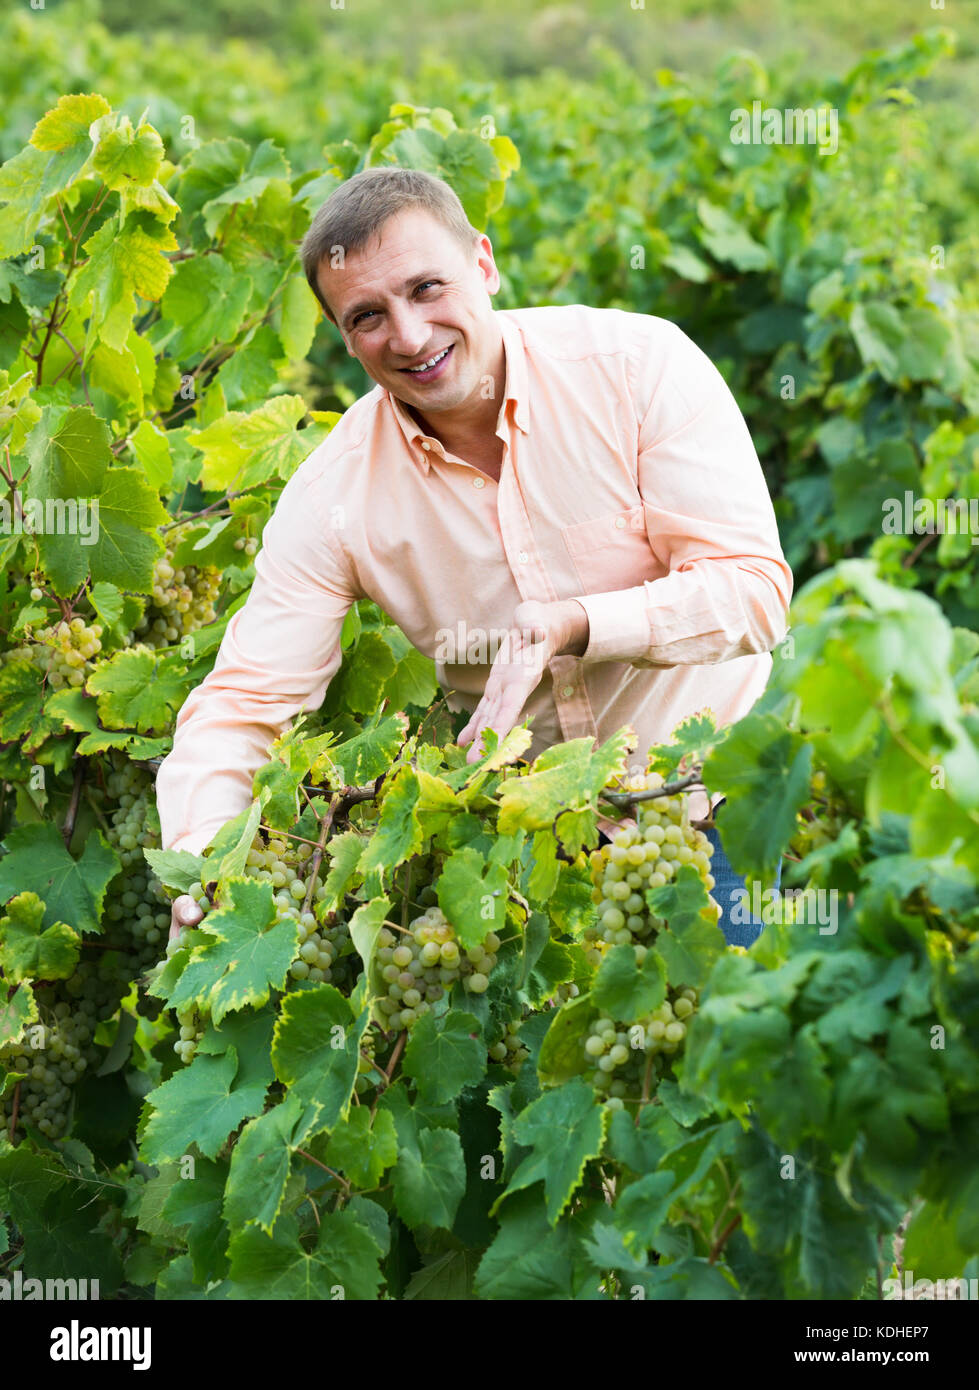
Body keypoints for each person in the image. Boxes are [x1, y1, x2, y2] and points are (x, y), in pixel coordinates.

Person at [158, 167, 792, 947]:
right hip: (536, 867)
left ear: (483, 263)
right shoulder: (335, 493)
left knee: (750, 1050)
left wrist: (576, 623)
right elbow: (243, 705)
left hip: (723, 803)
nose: (410, 336)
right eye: (367, 317)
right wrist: (204, 855)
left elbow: (751, 591)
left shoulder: (635, 367)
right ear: (342, 337)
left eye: (426, 288)